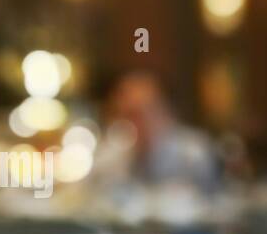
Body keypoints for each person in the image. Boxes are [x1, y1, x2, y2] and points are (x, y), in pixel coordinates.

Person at [91, 71, 220, 192]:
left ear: (162, 111)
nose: (131, 123)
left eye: (139, 114)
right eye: (125, 114)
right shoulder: (114, 154)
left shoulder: (194, 153)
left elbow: (215, 202)